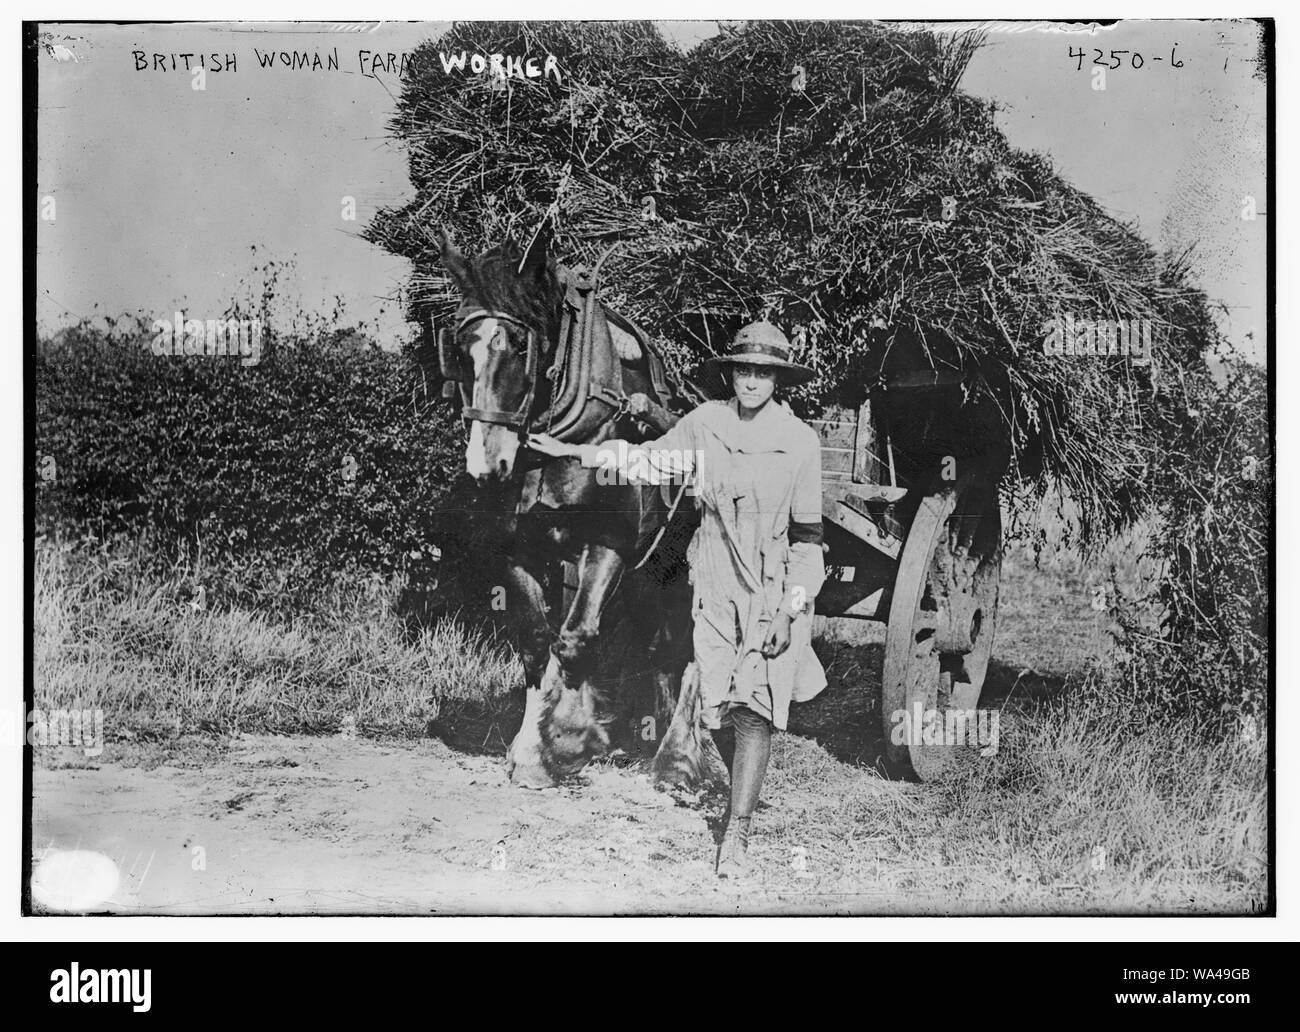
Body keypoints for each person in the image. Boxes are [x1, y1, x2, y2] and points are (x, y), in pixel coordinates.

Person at [528, 321, 827, 878]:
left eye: (764, 372)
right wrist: (574, 450)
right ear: (731, 374)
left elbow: (809, 540)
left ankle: (736, 833)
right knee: (715, 708)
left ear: (778, 379)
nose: (752, 381)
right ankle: (740, 779)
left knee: (753, 707)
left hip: (772, 587)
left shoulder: (800, 443)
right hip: (712, 583)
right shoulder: (706, 424)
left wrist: (792, 607)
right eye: (743, 370)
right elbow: (647, 459)